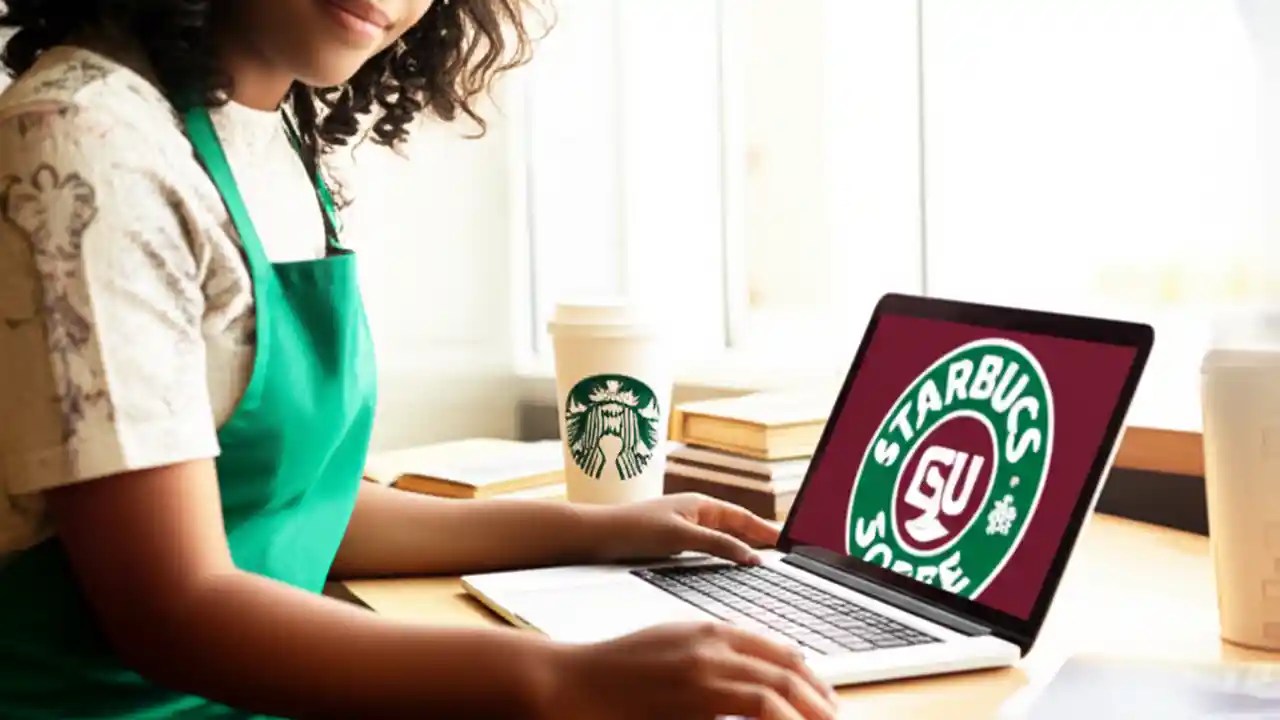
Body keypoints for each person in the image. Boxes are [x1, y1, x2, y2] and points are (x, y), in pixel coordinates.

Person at [0, 1, 840, 718]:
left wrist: (598, 528)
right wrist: (568, 678)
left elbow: (298, 510)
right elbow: (174, 611)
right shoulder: (81, 142)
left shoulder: (267, 130)